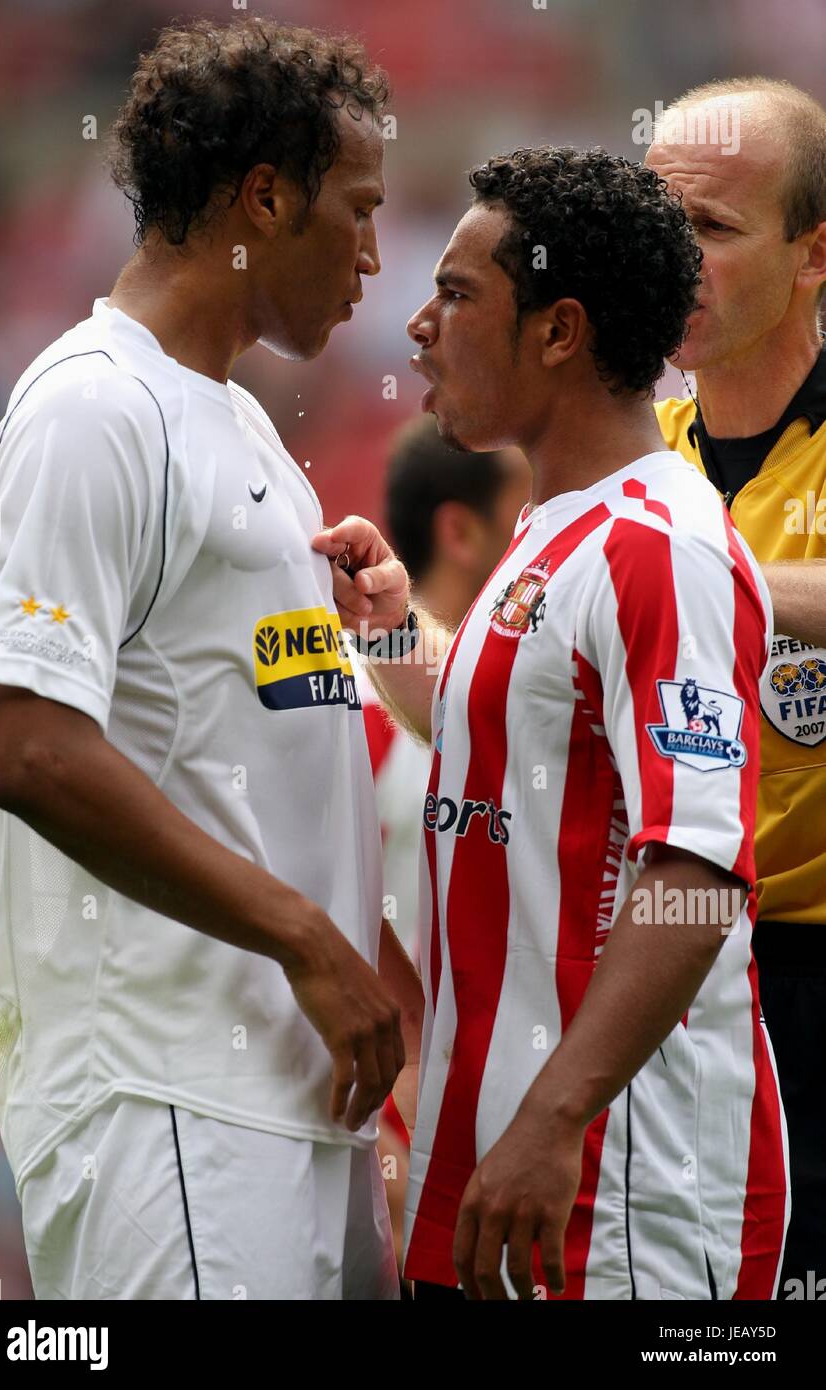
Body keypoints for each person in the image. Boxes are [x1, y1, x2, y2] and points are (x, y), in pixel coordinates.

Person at [0, 15, 425, 1301]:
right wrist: (310, 944)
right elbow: (34, 748)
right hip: (167, 1095)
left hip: (287, 1098)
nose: (376, 259)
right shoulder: (92, 405)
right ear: (263, 199)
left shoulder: (233, 423)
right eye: (357, 210)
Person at [313, 146, 788, 1300]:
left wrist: (555, 1116)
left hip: (620, 1187)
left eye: (457, 294)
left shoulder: (657, 545)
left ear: (560, 331)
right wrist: (387, 631)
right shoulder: (555, 523)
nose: (415, 326)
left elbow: (696, 867)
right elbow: (513, 744)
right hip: (501, 1161)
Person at [647, 77, 826, 1296]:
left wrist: (716, 581)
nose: (674, 262)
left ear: (815, 254)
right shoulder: (641, 456)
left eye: (709, 229)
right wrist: (394, 637)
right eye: (658, 226)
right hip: (670, 973)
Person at [362, 417, 529, 1271]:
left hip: (518, 1124)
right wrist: (397, 1123)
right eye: (524, 505)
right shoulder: (358, 706)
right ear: (461, 531)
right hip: (409, 1125)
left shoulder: (543, 686)